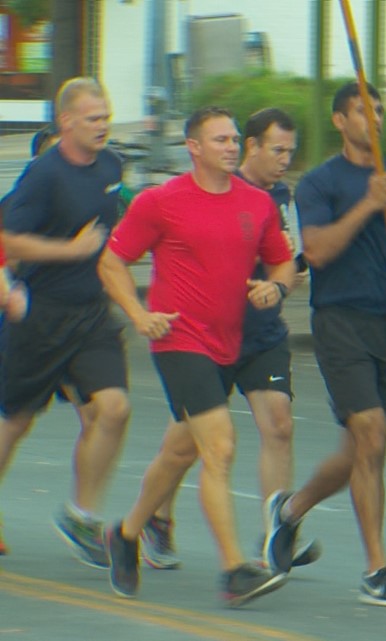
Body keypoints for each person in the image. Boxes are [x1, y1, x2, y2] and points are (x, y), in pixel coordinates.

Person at [97, 105, 296, 607]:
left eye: (234, 139)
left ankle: (125, 533)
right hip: (179, 340)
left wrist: (275, 288)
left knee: (181, 452)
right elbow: (112, 262)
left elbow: (282, 262)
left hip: (231, 342)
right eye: (221, 140)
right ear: (194, 148)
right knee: (220, 447)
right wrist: (139, 317)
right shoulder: (160, 202)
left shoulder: (257, 203)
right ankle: (234, 570)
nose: (232, 147)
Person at [261, 81, 386, 607]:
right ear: (340, 120)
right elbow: (317, 251)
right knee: (371, 436)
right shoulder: (319, 183)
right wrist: (365, 206)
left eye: (378, 110)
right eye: (362, 110)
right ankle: (376, 569)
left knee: (360, 450)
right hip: (339, 322)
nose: (374, 119)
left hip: (384, 325)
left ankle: (289, 512)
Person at [137, 107, 321, 572]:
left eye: (291, 152)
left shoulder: (279, 198)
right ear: (253, 147)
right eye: (276, 150)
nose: (284, 159)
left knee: (278, 422)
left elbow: (293, 264)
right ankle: (154, 518)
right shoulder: (199, 193)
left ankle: (275, 535)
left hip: (260, 333)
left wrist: (276, 286)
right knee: (188, 445)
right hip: (201, 336)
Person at [0, 77, 130, 568]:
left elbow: (114, 232)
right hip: (41, 315)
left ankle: (81, 514)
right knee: (15, 420)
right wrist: (68, 251)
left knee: (113, 409)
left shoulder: (113, 166)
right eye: (93, 118)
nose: (103, 126)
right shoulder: (43, 175)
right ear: (67, 121)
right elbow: (10, 242)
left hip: (92, 313)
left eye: (106, 116)